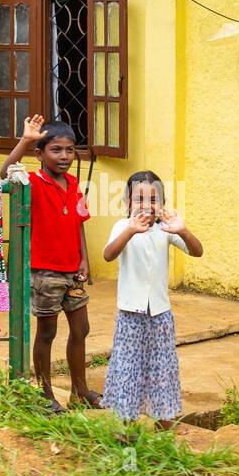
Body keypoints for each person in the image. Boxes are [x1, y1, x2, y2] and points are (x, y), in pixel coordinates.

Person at [0, 114, 101, 413]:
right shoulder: (30, 181)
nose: (65, 156)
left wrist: (84, 259)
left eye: (70, 150)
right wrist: (25, 139)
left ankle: (79, 390)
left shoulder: (72, 183)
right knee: (46, 332)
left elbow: (79, 222)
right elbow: (5, 172)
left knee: (81, 329)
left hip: (73, 271)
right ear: (39, 154)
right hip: (44, 272)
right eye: (56, 150)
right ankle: (45, 394)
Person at [101, 170, 203, 431]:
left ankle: (164, 423)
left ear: (163, 203)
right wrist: (131, 231)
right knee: (128, 368)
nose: (146, 205)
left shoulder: (166, 230)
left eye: (153, 199)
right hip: (129, 314)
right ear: (128, 202)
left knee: (162, 368)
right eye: (139, 199)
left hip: (160, 314)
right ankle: (125, 426)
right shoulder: (121, 227)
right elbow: (108, 255)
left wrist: (184, 229)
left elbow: (197, 251)